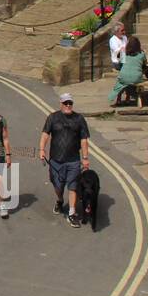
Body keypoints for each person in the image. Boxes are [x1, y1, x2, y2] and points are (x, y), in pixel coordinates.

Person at [40, 92, 90, 228]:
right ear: (61, 104)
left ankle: (72, 213)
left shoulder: (79, 119)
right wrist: (41, 149)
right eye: (66, 103)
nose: (68, 105)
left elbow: (84, 139)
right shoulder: (53, 117)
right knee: (58, 185)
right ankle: (60, 200)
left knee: (73, 185)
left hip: (73, 159)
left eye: (70, 103)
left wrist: (85, 158)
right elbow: (45, 134)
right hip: (56, 160)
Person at [109, 36, 148, 105]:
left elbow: (121, 65)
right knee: (133, 77)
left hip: (123, 77)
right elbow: (145, 64)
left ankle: (119, 98)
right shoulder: (141, 54)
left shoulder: (124, 53)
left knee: (122, 80)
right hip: (136, 77)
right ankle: (128, 97)